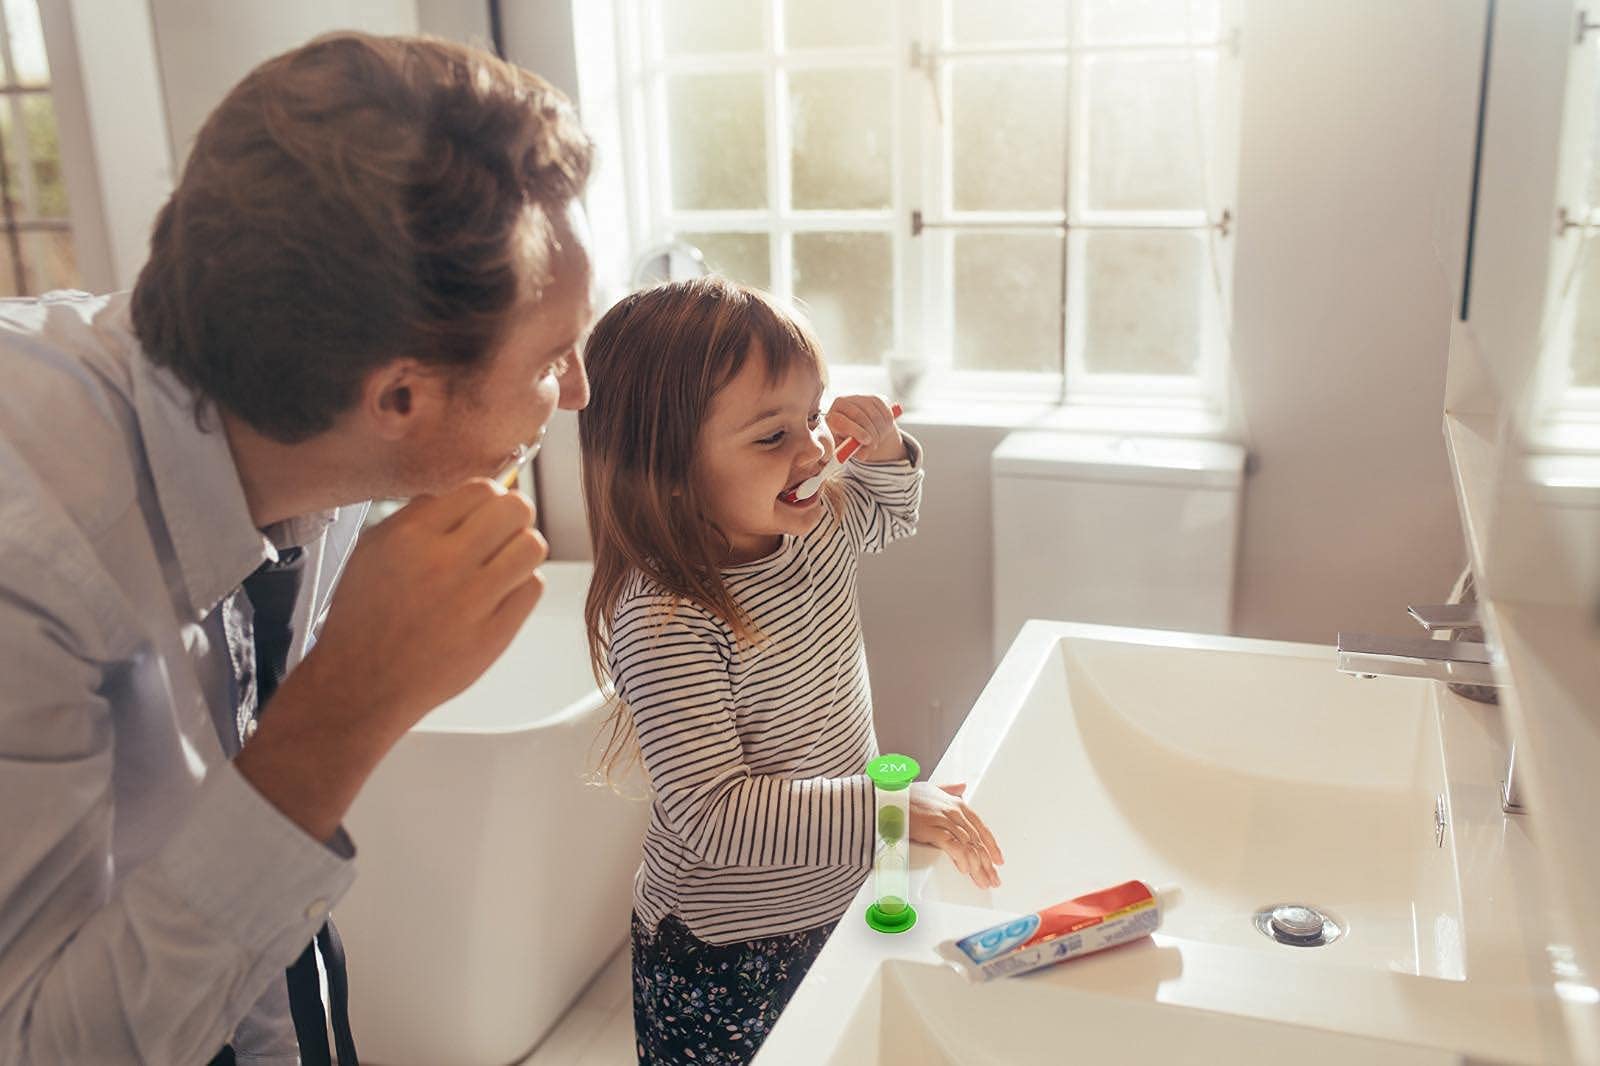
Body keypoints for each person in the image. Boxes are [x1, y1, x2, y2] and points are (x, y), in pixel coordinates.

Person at [0, 32, 594, 1065]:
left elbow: (246, 906)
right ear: (401, 397)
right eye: (550, 358)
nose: (578, 389)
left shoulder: (308, 443)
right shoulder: (33, 555)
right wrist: (343, 710)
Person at [577, 277, 1005, 1065]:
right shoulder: (668, 620)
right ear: (668, 469)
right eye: (772, 437)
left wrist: (887, 450)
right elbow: (713, 814)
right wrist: (890, 808)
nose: (813, 451)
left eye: (812, 416)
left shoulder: (813, 524)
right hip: (725, 952)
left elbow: (887, 510)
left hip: (831, 894)